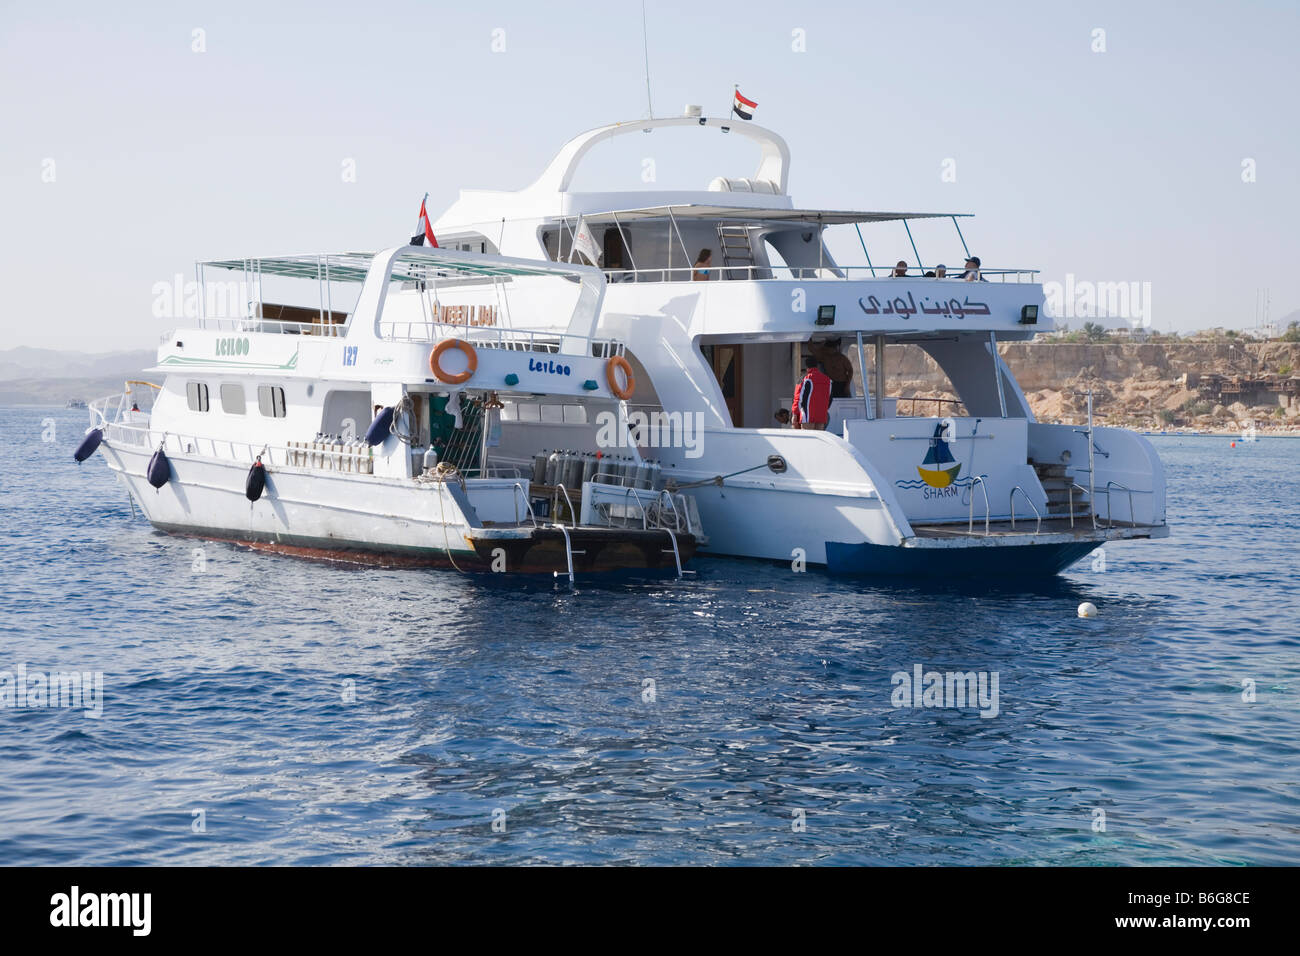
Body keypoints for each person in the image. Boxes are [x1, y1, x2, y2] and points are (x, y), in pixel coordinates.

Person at [796, 359, 832, 430]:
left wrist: (796, 414)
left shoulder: (805, 378)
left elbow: (798, 397)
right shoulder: (827, 379)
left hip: (808, 414)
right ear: (817, 366)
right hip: (821, 414)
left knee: (807, 438)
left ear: (806, 367)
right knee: (818, 437)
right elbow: (830, 397)